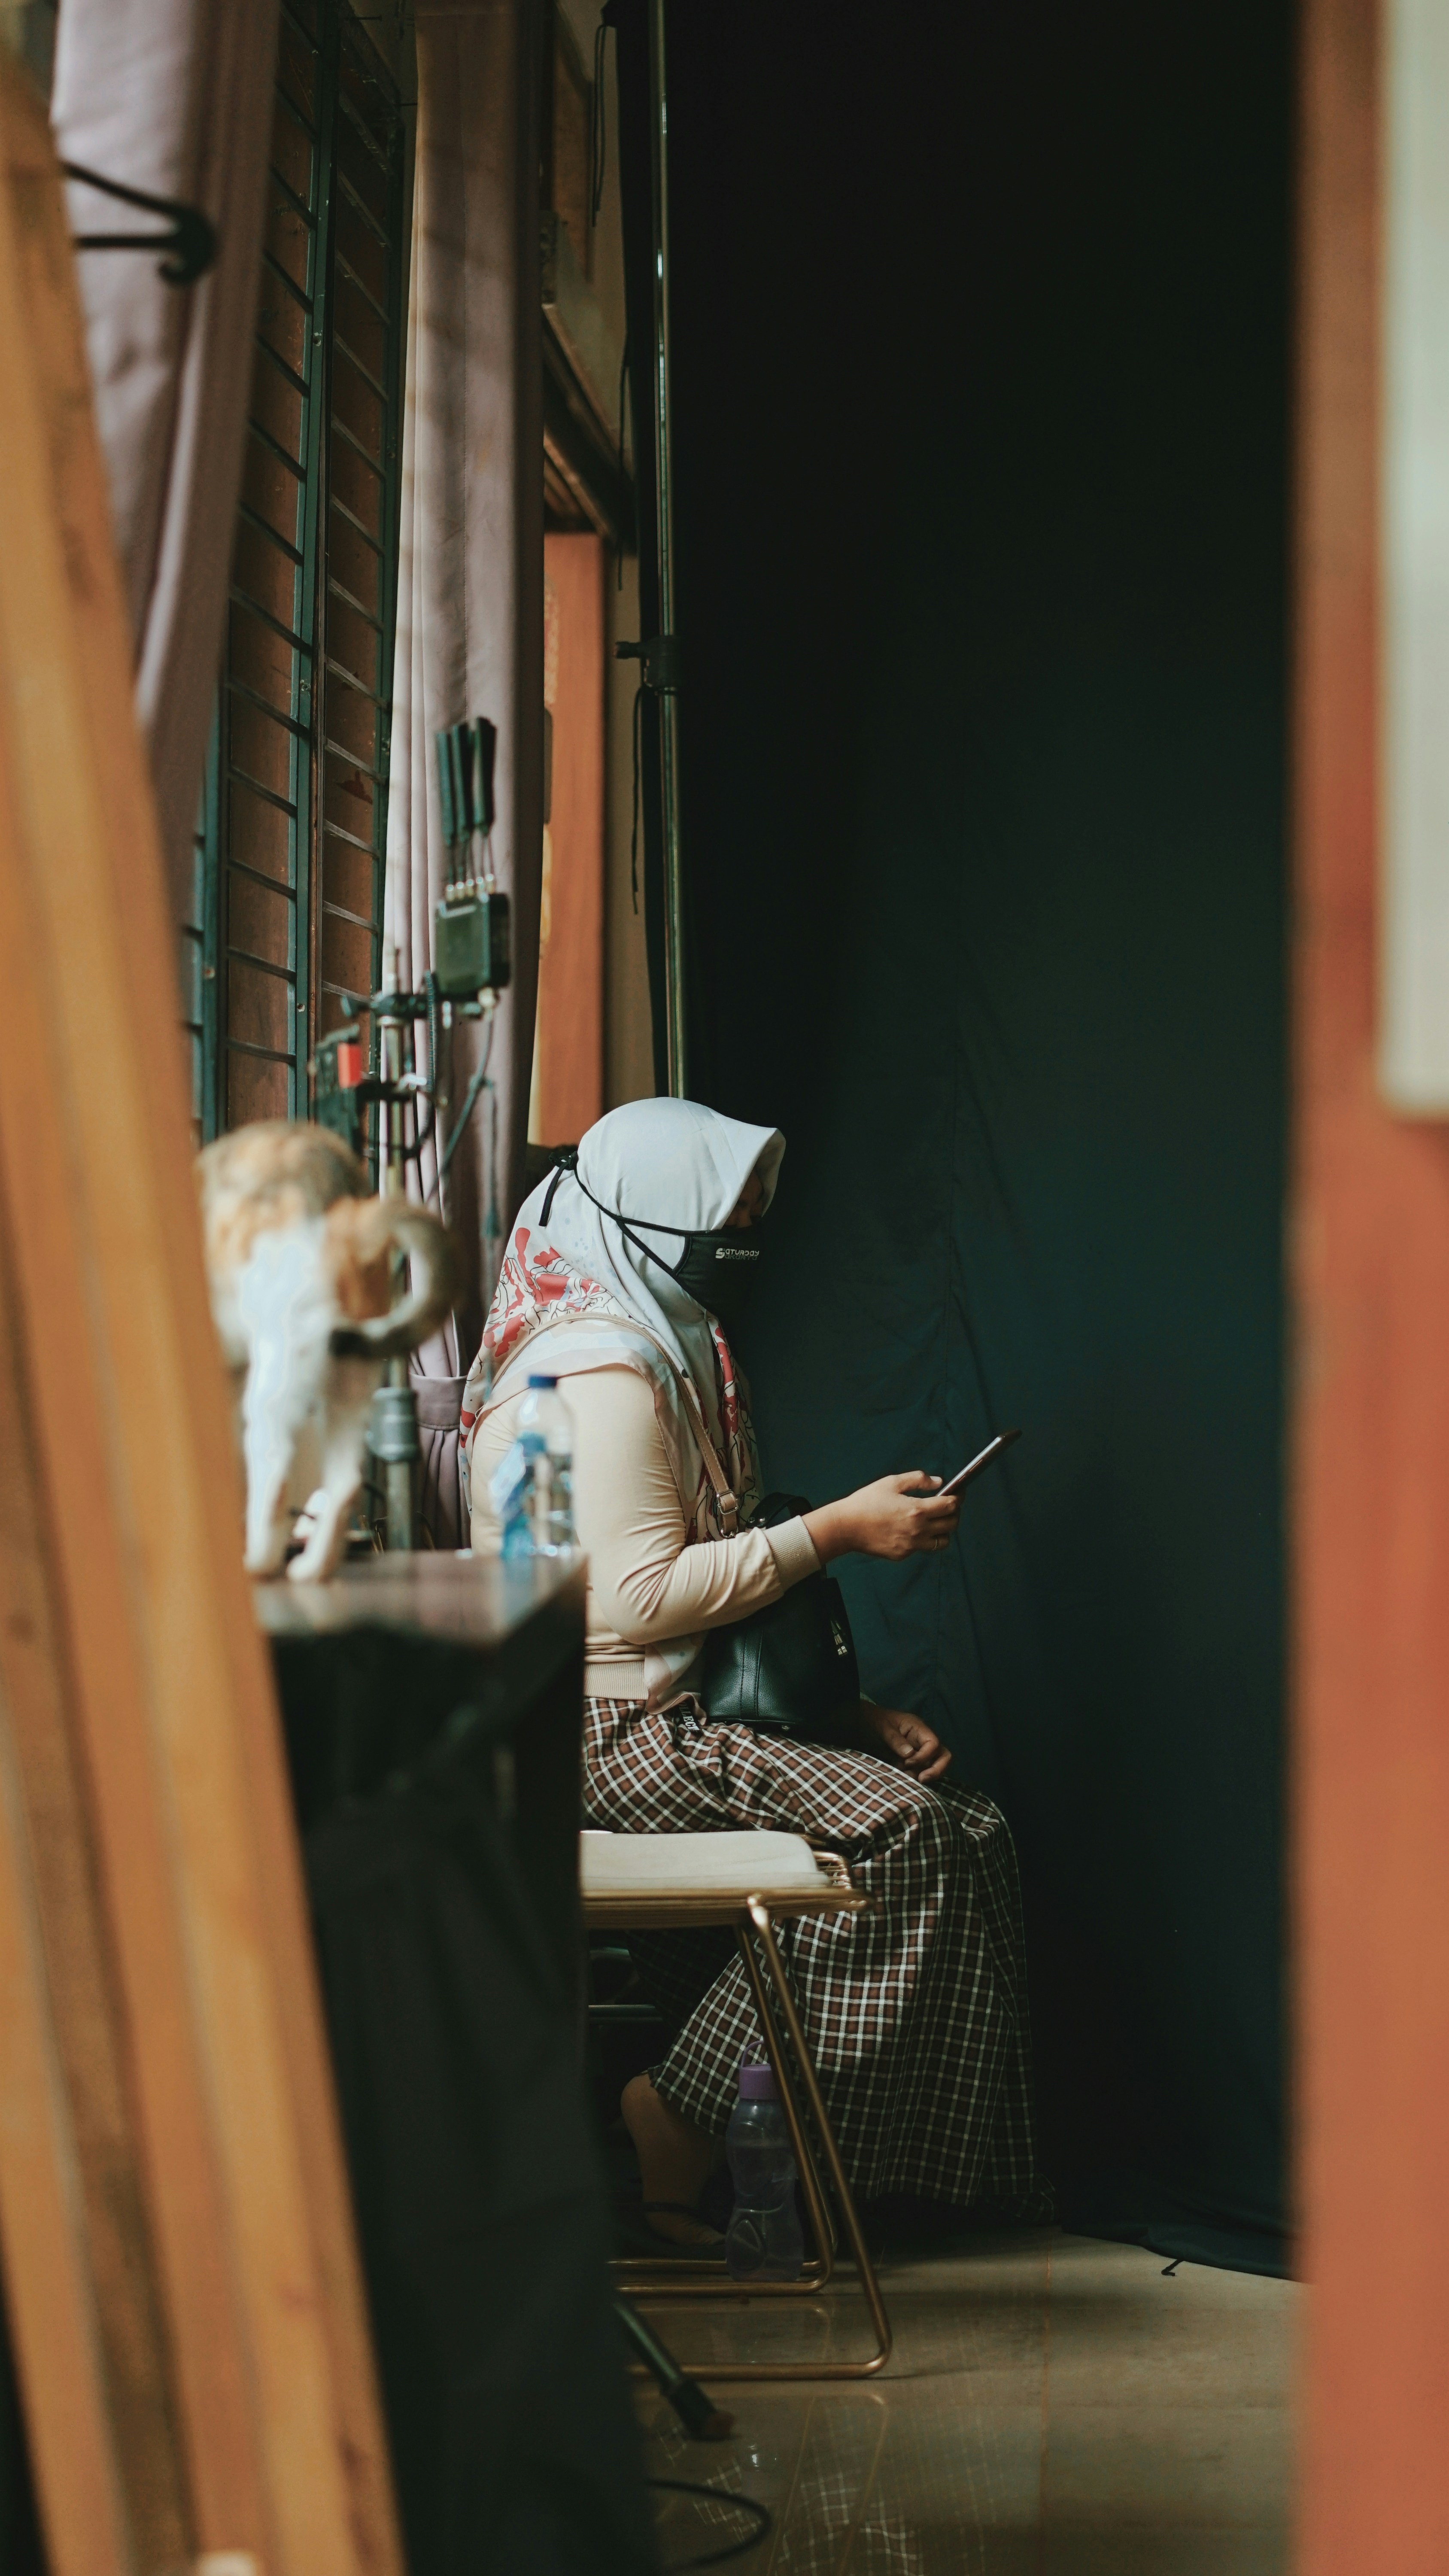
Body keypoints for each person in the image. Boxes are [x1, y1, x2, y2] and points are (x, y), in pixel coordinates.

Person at [464, 1098, 1037, 2245]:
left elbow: (698, 1616)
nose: (749, 1244)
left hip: (680, 1711)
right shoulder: (603, 1379)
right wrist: (834, 1532)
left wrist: (847, 1709)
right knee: (904, 1836)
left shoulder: (667, 1343)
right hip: (602, 1734)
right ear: (657, 1220)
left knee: (970, 1828)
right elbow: (637, 1602)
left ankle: (884, 2184)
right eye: (728, 1220)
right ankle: (675, 2112)